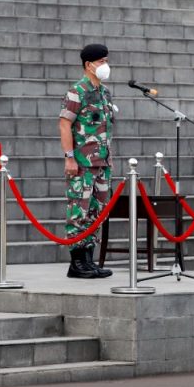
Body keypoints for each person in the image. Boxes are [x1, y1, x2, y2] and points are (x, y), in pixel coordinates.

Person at [59, 43, 115, 279]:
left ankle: (89, 260)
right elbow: (64, 124)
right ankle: (77, 262)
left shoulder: (104, 92)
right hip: (82, 163)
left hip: (102, 163)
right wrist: (70, 157)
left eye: (106, 61)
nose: (105, 65)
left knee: (96, 212)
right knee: (78, 212)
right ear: (88, 65)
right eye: (101, 61)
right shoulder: (77, 91)